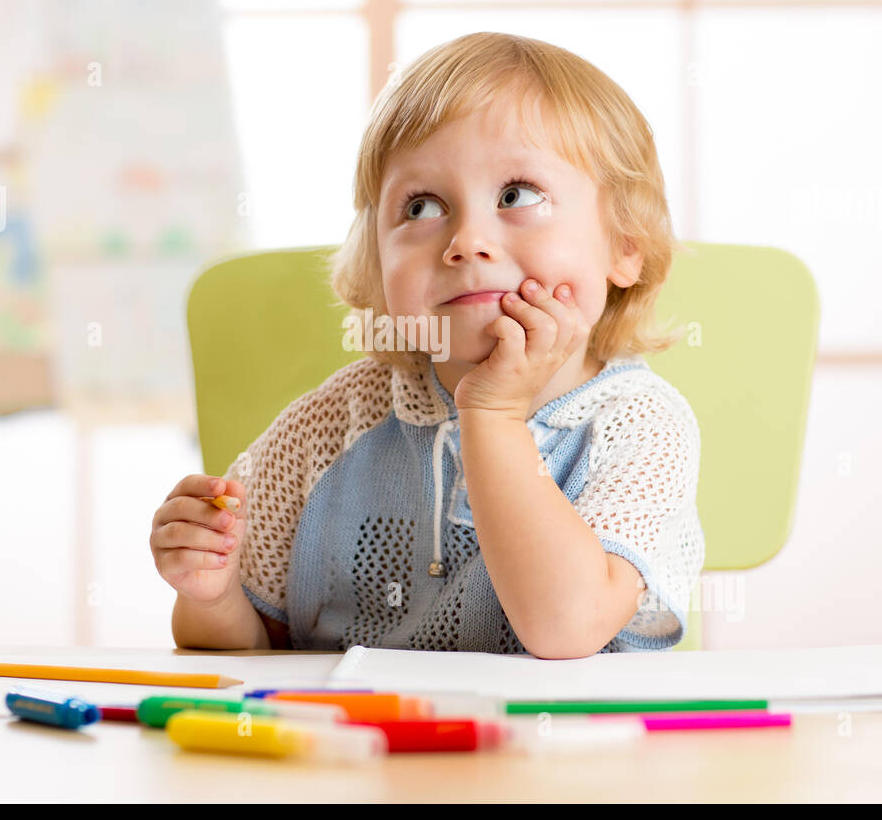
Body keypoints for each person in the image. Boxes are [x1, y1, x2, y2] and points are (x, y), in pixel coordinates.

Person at [153, 32, 704, 658]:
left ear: (625, 246)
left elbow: (565, 628)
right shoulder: (333, 425)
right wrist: (210, 594)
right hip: (367, 745)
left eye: (517, 195)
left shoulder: (642, 428)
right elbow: (252, 644)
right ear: (378, 259)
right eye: (421, 206)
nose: (467, 241)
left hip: (563, 752)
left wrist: (492, 414)